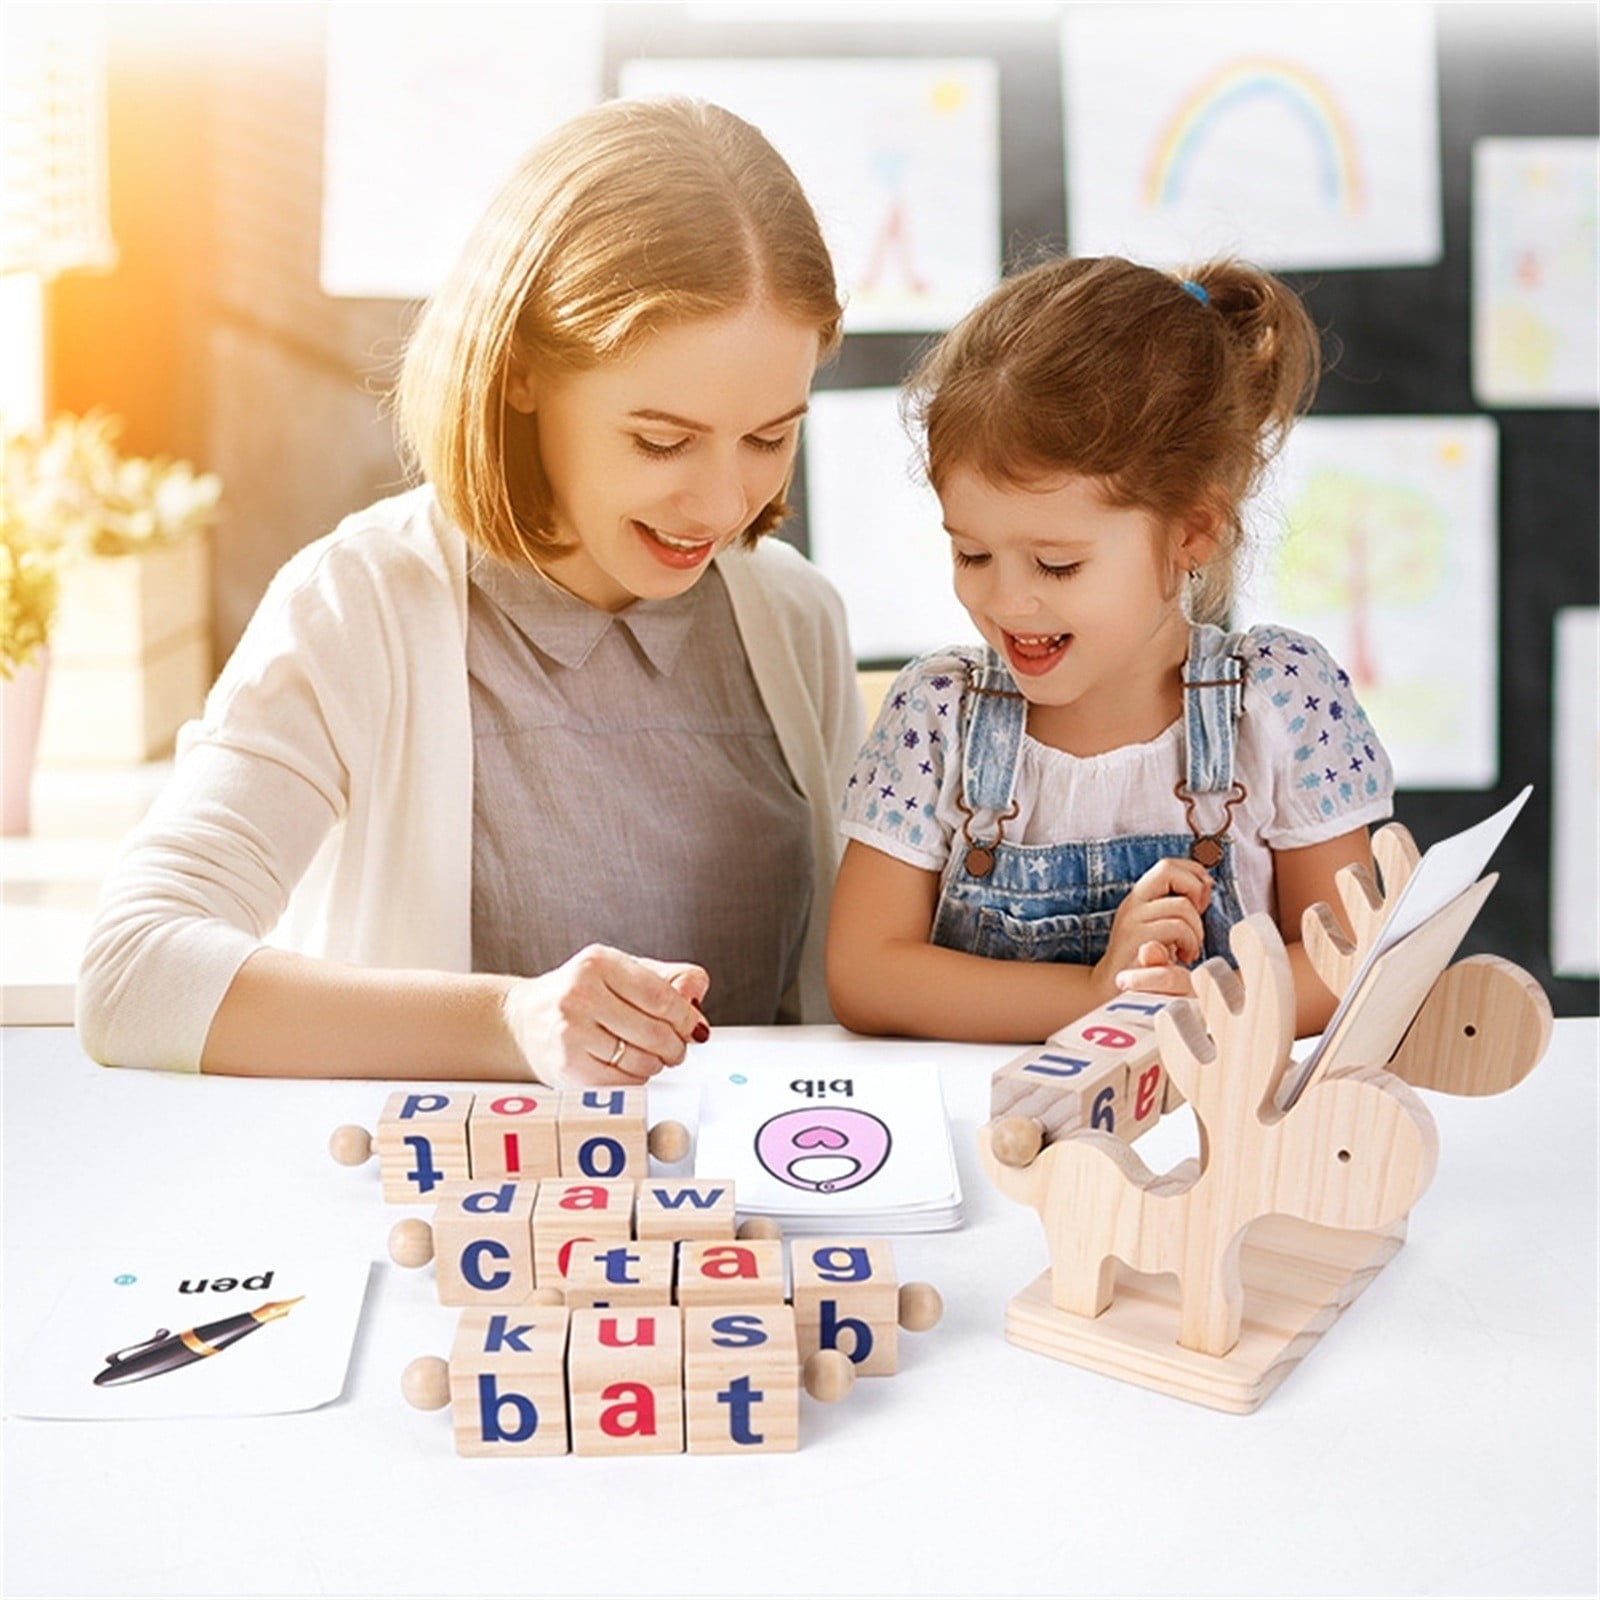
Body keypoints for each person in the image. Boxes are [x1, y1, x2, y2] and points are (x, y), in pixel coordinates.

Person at [77, 98, 863, 1085]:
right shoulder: (362, 603)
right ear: (524, 372)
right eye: (661, 440)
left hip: (731, 1221)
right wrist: (508, 1021)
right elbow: (131, 975)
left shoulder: (794, 622)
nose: (721, 502)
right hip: (451, 1225)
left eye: (767, 437)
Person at [826, 255, 1393, 1044]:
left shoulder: (1280, 702)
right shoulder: (938, 717)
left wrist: (1185, 1016)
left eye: (1057, 564)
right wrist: (1101, 998)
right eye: (972, 555)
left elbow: (1349, 960)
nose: (1006, 601)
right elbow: (867, 973)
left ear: (1192, 530)